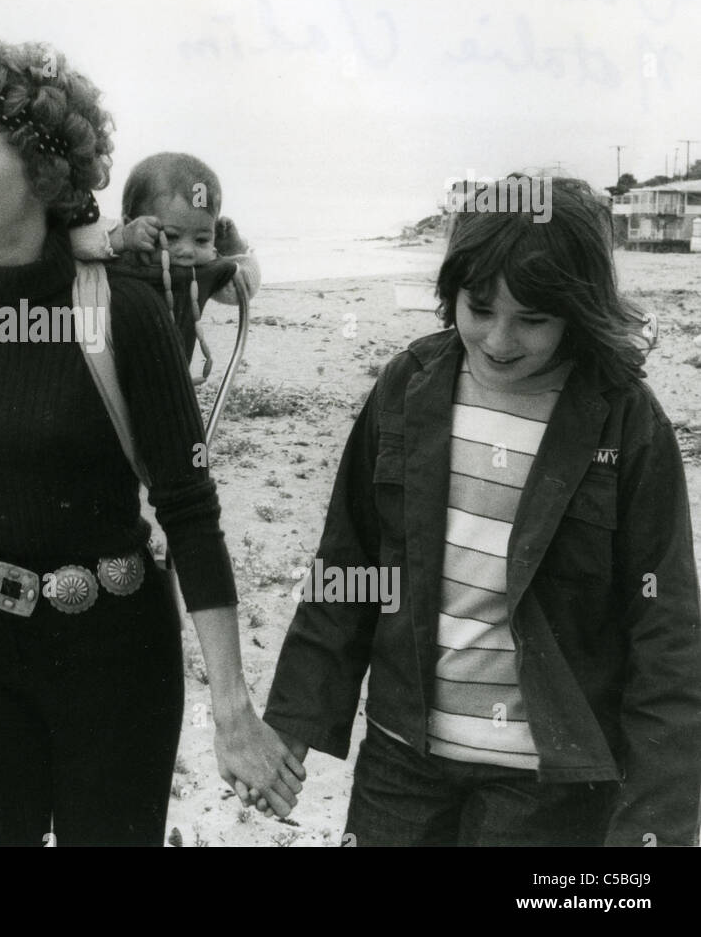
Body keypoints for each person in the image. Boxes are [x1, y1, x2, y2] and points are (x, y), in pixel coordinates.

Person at [0, 39, 304, 846]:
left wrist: (233, 709)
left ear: (44, 169)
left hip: (115, 658)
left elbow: (190, 512)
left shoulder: (125, 313)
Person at [262, 177, 701, 846]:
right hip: (401, 760)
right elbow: (348, 565)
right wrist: (298, 717)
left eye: (532, 319)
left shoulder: (627, 423)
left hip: (550, 784)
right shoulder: (408, 387)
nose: (498, 340)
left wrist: (656, 829)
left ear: (578, 311)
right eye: (479, 307)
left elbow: (666, 634)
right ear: (453, 291)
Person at [71, 152, 261, 367]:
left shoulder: (202, 271)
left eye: (202, 239)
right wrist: (120, 238)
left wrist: (234, 249)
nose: (187, 251)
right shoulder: (119, 257)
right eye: (170, 236)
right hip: (109, 376)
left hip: (172, 383)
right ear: (131, 224)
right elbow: (74, 245)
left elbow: (243, 287)